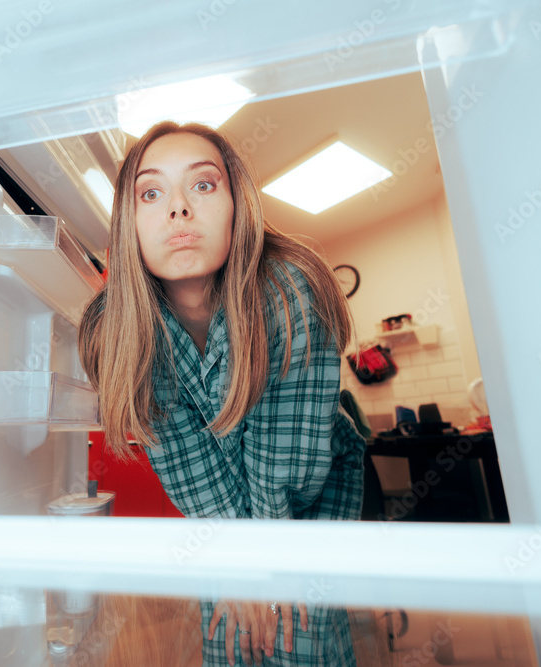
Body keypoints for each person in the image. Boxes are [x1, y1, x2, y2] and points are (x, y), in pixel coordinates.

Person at [78, 120, 366, 666]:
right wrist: (236, 568)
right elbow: (187, 464)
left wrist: (262, 568)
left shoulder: (290, 292)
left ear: (238, 205)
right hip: (221, 510)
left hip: (308, 494)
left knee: (296, 632)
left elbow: (285, 470)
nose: (178, 209)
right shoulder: (118, 325)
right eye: (151, 192)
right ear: (128, 223)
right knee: (232, 633)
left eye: (203, 186)